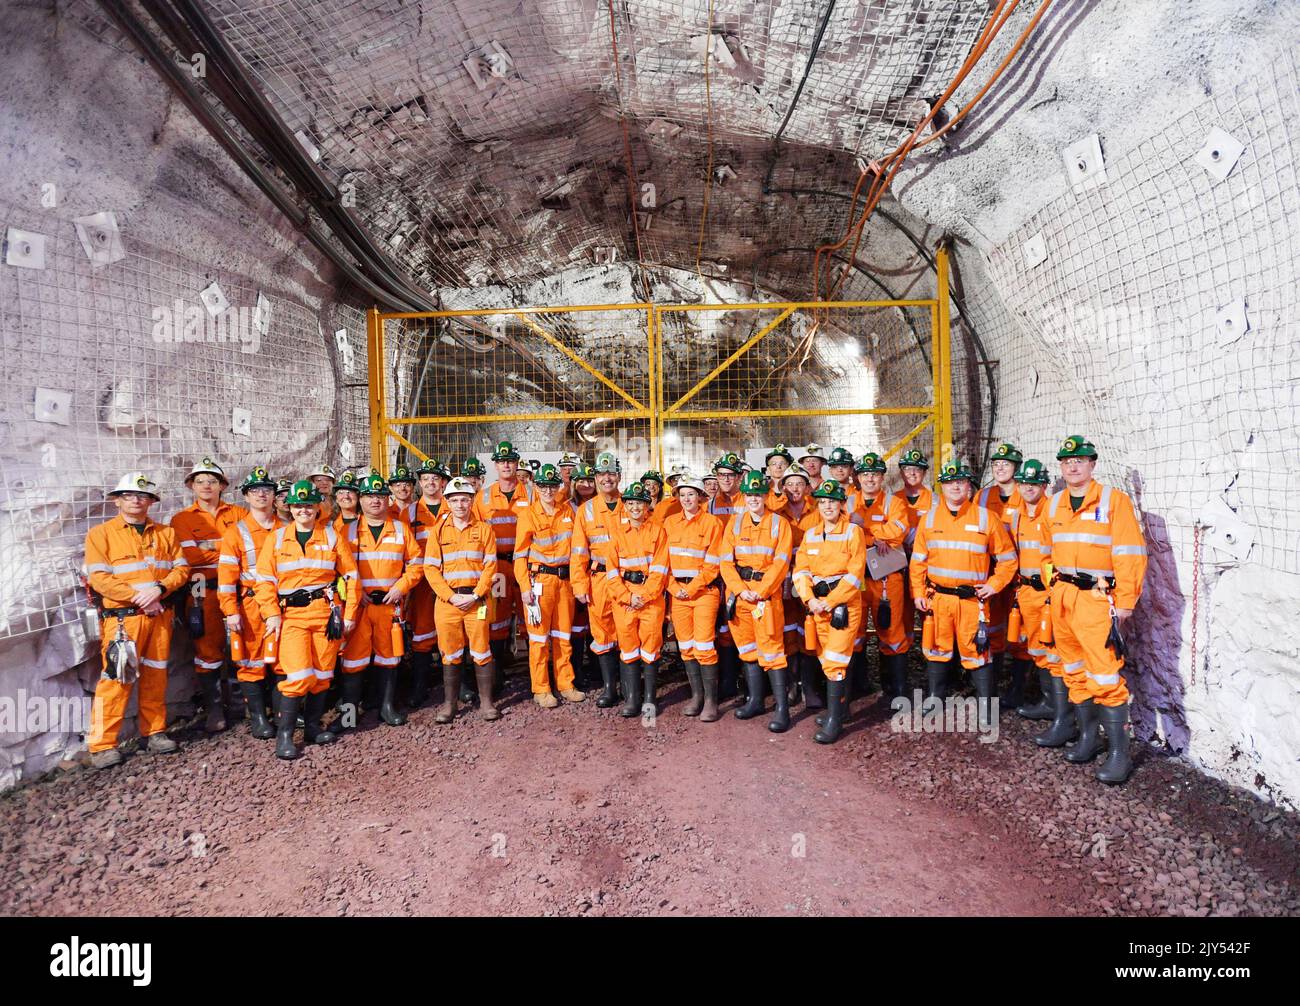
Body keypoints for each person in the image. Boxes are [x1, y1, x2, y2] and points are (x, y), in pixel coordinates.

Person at [1037, 436, 1147, 785]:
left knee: (1105, 674)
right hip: (1064, 598)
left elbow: (1130, 553)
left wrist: (1126, 601)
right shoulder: (1052, 506)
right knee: (1073, 670)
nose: (1073, 466)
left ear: (1092, 464)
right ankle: (1087, 738)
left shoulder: (1114, 502)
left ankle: (1119, 754)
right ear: (1061, 467)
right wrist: (1052, 585)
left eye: (1080, 460)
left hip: (1097, 600)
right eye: (1067, 461)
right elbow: (1044, 553)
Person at [84, 473, 191, 769]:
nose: (136, 500)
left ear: (151, 502)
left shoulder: (166, 534)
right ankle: (102, 744)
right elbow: (99, 579)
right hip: (123, 620)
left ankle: (154, 732)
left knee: (156, 675)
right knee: (117, 677)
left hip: (159, 616)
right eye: (129, 495)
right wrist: (138, 596)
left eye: (142, 496)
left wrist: (159, 589)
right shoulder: (101, 535)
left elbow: (182, 570)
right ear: (118, 500)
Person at [255, 480, 360, 760]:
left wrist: (348, 615)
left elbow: (350, 577)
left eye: (309, 505)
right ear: (290, 508)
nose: (304, 510)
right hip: (292, 617)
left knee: (324, 675)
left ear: (317, 508)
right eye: (298, 506)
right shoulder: (276, 539)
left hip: (326, 614)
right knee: (298, 675)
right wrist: (272, 614)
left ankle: (313, 728)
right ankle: (286, 736)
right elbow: (264, 580)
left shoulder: (332, 536)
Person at [909, 461, 1017, 723]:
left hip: (972, 601)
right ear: (942, 487)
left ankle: (985, 707)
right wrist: (918, 592)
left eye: (961, 481)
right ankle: (935, 698)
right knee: (936, 648)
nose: (955, 486)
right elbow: (918, 561)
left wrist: (994, 584)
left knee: (977, 652)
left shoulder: (986, 518)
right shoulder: (930, 519)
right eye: (949, 482)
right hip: (938, 599)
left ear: (969, 486)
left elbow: (1008, 559)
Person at [336, 472, 423, 730]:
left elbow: (416, 565)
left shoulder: (400, 529)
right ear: (360, 500)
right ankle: (348, 716)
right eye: (370, 496)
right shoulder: (346, 531)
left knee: (389, 658)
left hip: (389, 605)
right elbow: (335, 570)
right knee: (352, 661)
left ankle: (387, 707)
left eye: (380, 496)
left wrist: (401, 587)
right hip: (359, 607)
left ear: (388, 500)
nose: (376, 501)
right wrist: (353, 593)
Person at [171, 457, 246, 734]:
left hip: (237, 588)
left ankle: (243, 704)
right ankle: (215, 708)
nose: (206, 486)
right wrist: (228, 550)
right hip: (202, 590)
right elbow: (190, 556)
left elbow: (248, 550)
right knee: (207, 649)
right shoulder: (181, 519)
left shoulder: (238, 514)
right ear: (191, 486)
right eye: (200, 481)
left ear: (222, 486)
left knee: (243, 643)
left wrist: (210, 547)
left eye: (212, 481)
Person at [792, 480, 867, 744]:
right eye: (822, 502)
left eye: (832, 502)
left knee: (836, 660)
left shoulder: (853, 532)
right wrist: (809, 599)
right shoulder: (811, 534)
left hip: (843, 607)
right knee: (826, 658)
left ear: (841, 505)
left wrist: (831, 601)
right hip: (817, 606)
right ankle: (840, 710)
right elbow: (800, 570)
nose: (827, 507)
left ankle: (835, 721)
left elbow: (855, 574)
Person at [720, 470, 794, 732]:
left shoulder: (779, 524)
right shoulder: (735, 524)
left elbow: (781, 562)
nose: (754, 499)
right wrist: (740, 590)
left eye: (758, 494)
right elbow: (725, 561)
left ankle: (782, 709)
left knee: (772, 651)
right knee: (748, 650)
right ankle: (755, 701)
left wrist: (761, 590)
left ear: (765, 495)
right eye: (750, 494)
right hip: (741, 595)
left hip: (766, 595)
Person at [425, 477, 501, 722]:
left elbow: (491, 566)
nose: (460, 505)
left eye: (464, 500)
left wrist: (477, 594)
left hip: (477, 601)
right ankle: (450, 704)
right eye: (455, 500)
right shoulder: (437, 531)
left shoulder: (485, 529)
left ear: (471, 501)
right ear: (447, 502)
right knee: (450, 653)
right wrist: (450, 596)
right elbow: (431, 569)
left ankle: (487, 703)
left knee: (481, 651)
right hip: (448, 602)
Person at [218, 467, 284, 741]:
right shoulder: (236, 533)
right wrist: (230, 611)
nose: (261, 495)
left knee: (284, 660)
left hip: (285, 604)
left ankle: (284, 714)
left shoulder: (287, 528)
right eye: (255, 490)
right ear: (246, 496)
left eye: (267, 490)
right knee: (251, 662)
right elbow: (226, 579)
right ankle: (258, 717)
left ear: (274, 496)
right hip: (251, 605)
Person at [513, 463, 585, 708]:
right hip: (539, 582)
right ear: (536, 486)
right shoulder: (528, 515)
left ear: (559, 487)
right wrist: (524, 587)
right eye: (543, 486)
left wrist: (577, 582)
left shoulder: (568, 512)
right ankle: (541, 688)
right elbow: (520, 555)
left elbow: (577, 551)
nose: (548, 491)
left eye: (552, 486)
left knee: (563, 636)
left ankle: (566, 684)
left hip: (564, 582)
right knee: (539, 638)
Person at [605, 481, 670, 717]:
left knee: (651, 649)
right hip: (624, 601)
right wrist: (627, 596)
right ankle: (632, 699)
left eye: (639, 503)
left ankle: (650, 698)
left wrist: (643, 596)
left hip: (650, 600)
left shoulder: (658, 531)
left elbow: (661, 569)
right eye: (630, 503)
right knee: (629, 649)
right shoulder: (616, 534)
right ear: (625, 506)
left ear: (647, 506)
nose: (635, 507)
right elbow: (611, 572)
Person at [851, 452, 912, 701]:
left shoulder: (894, 503)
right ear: (858, 477)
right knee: (853, 633)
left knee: (891, 632)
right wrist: (875, 537)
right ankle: (856, 688)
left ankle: (895, 691)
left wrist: (867, 531)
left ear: (882, 477)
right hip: (855, 579)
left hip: (886, 578)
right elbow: (842, 532)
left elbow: (897, 531)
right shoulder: (847, 501)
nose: (870, 479)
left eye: (874, 474)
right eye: (865, 474)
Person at [663, 475, 724, 720]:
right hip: (678, 593)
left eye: (692, 494)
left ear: (700, 497)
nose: (687, 499)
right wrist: (672, 587)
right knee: (686, 648)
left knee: (705, 645)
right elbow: (661, 562)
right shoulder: (669, 523)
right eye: (683, 494)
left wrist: (693, 587)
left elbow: (713, 563)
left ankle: (711, 701)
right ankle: (696, 695)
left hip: (704, 593)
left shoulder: (712, 523)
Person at [1002, 459, 1059, 722]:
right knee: (1035, 646)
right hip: (1025, 590)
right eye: (1024, 484)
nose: (1028, 488)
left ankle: (1059, 709)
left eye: (1034, 484)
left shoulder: (1053, 512)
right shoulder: (1017, 517)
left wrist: (1053, 589)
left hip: (1048, 592)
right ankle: (1048, 701)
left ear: (1044, 485)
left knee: (1053, 649)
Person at [570, 452, 627, 707]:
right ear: (595, 478)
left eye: (611, 473)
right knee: (602, 634)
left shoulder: (633, 504)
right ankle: (608, 688)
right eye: (602, 474)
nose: (607, 479)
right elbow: (578, 551)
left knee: (627, 631)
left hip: (628, 580)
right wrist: (579, 584)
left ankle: (628, 686)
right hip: (599, 579)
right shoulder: (586, 511)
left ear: (619, 476)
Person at [474, 440, 536, 665]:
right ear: (495, 466)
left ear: (517, 463)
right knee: (497, 621)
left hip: (525, 566)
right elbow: (476, 533)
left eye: (510, 461)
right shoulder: (483, 497)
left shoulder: (532, 494)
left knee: (530, 617)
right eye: (502, 462)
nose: (506, 466)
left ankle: (534, 678)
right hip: (497, 567)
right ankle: (497, 675)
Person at [977, 442, 1027, 706]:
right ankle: (992, 685)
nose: (999, 469)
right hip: (993, 572)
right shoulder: (983, 497)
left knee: (1022, 630)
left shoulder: (1029, 494)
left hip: (1022, 573)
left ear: (1016, 468)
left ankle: (1019, 689)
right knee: (993, 625)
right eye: (996, 464)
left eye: (1005, 464)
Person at [398, 458, 450, 706]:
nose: (431, 482)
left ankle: (456, 687)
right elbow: (403, 549)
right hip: (422, 582)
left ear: (442, 482)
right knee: (422, 631)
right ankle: (420, 687)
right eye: (426, 478)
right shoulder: (408, 513)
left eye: (435, 478)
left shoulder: (454, 505)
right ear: (420, 483)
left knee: (451, 630)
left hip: (450, 578)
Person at [778, 463, 824, 709]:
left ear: (808, 487)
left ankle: (810, 687)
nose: (795, 489)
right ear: (783, 487)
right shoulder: (776, 513)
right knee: (787, 629)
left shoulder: (818, 512)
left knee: (810, 629)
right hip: (783, 577)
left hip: (809, 578)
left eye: (799, 484)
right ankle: (790, 685)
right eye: (790, 484)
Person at [892, 447, 932, 650]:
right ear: (901, 473)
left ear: (924, 472)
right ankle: (905, 651)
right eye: (907, 469)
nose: (912, 473)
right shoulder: (893, 499)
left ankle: (933, 653)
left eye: (917, 469)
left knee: (929, 610)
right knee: (902, 611)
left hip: (927, 565)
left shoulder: (936, 500)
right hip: (899, 562)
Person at [567, 461, 598, 687]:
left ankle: (598, 670)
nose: (585, 485)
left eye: (589, 480)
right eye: (581, 480)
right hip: (573, 570)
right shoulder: (566, 507)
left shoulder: (601, 506)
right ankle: (576, 670)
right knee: (576, 624)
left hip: (597, 571)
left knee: (597, 622)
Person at [826, 446, 862, 514]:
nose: (839, 470)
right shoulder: (824, 493)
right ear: (830, 471)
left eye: (844, 466)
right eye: (835, 467)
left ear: (851, 470)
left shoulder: (859, 494)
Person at [763, 445, 794, 511]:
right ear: (768, 469)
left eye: (782, 463)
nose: (778, 467)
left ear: (789, 467)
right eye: (774, 464)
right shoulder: (761, 491)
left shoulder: (796, 492)